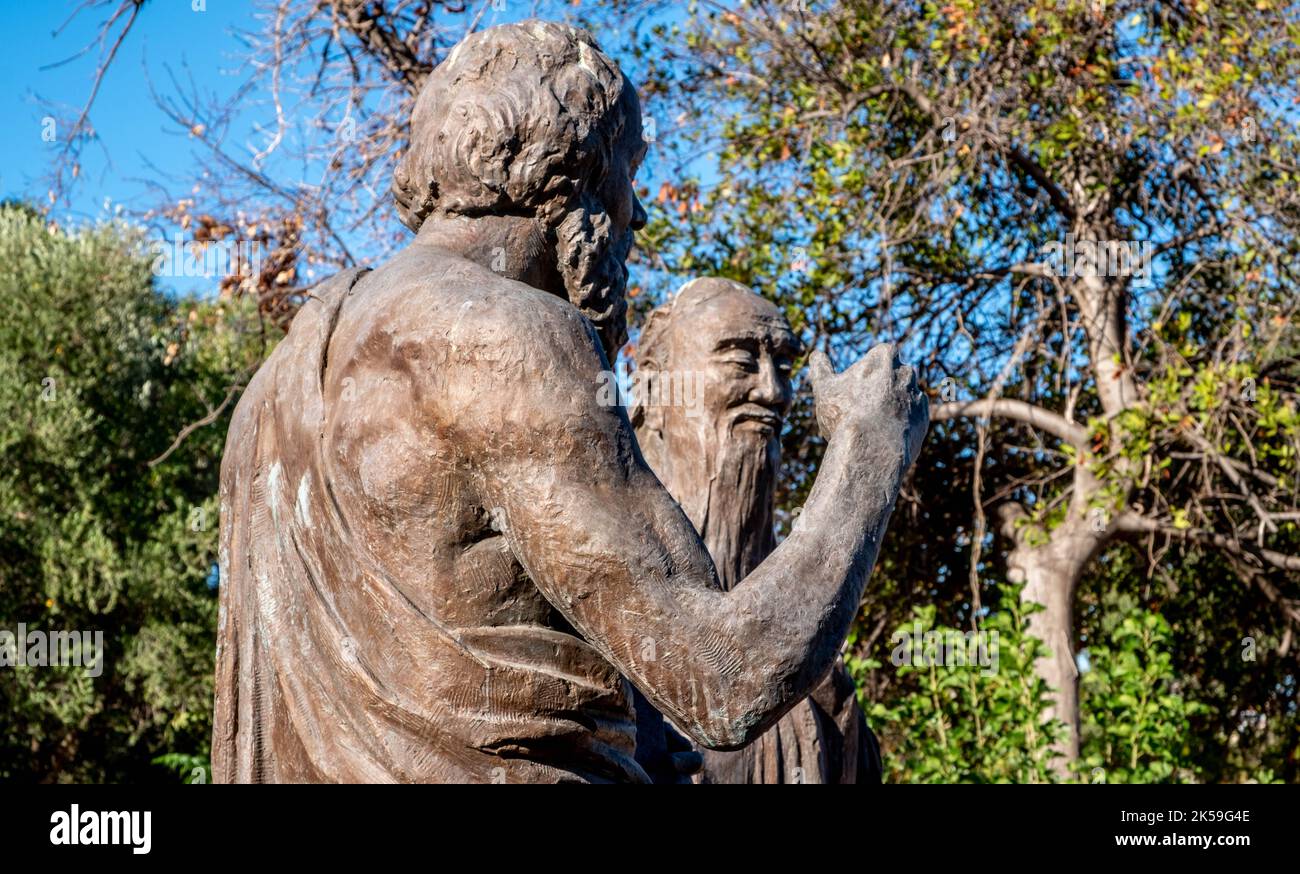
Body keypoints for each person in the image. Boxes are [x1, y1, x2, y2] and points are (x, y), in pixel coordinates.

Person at [213, 20, 927, 783]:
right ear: (572, 164)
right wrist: (869, 450)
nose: (636, 214)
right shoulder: (507, 331)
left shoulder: (282, 380)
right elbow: (722, 678)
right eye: (629, 170)